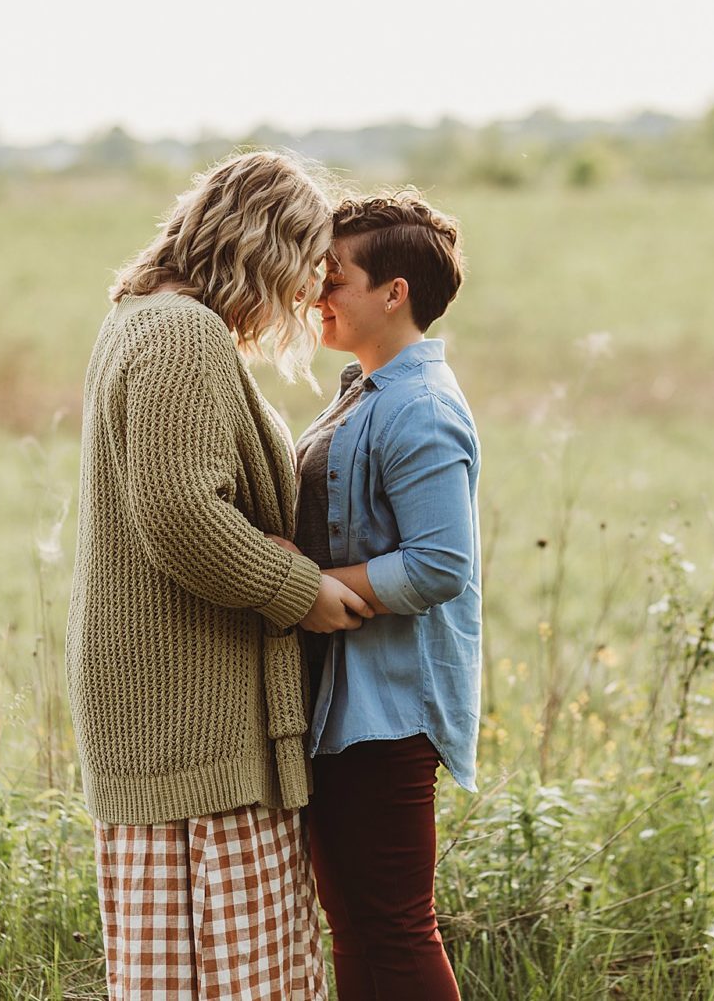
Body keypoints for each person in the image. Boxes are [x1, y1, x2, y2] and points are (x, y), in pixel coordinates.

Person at [64, 150, 372, 1000]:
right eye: (308, 262)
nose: (312, 292)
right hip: (192, 709)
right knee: (242, 979)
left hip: (168, 701)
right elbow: (181, 512)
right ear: (264, 249)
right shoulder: (181, 335)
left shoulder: (143, 318)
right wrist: (298, 591)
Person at [290, 190, 481, 1000]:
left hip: (390, 706)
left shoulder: (420, 408)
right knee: (363, 925)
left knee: (394, 924)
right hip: (350, 700)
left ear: (393, 292)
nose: (314, 294)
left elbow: (440, 565)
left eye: (334, 278)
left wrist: (308, 588)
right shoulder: (364, 389)